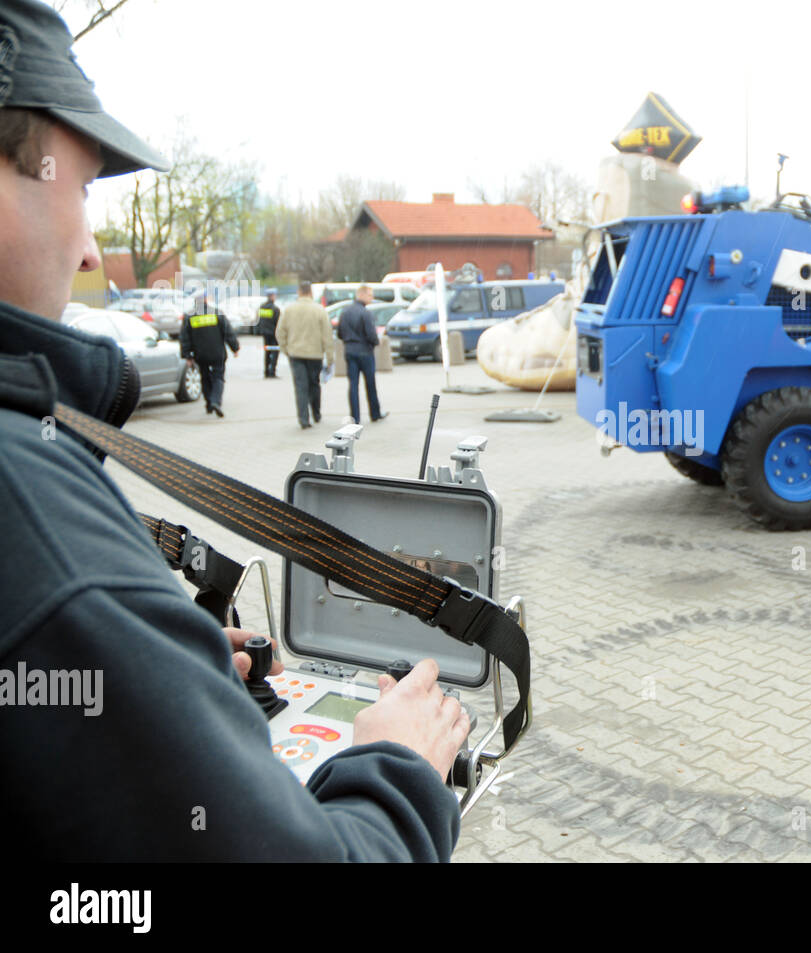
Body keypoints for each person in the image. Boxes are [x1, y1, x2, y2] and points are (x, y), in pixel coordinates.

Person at [0, 0, 469, 861]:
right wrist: (398, 768)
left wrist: (147, 671)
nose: (92, 251)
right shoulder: (27, 501)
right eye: (80, 188)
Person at [276, 281, 334, 429]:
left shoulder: (289, 310)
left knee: (300, 386)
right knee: (314, 384)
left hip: (296, 354)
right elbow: (327, 335)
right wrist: (330, 356)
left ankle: (303, 419)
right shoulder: (320, 310)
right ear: (311, 292)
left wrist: (285, 349)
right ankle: (316, 413)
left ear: (299, 292)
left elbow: (280, 332)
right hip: (315, 355)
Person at [179, 290, 240, 416]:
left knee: (205, 378)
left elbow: (185, 338)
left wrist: (187, 355)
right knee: (218, 378)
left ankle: (208, 404)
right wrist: (235, 348)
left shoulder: (189, 316)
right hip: (217, 353)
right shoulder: (217, 313)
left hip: (200, 355)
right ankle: (215, 401)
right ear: (206, 299)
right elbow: (228, 332)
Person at [337, 284, 389, 423]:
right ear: (362, 294)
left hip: (350, 350)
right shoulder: (365, 313)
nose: (372, 298)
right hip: (365, 352)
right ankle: (375, 413)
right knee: (370, 384)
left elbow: (340, 333)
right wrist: (375, 343)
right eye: (370, 295)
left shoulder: (345, 312)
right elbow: (371, 334)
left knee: (353, 385)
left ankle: (355, 417)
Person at [255, 288, 281, 378]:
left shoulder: (262, 307)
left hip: (265, 333)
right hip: (274, 334)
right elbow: (278, 323)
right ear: (272, 296)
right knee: (275, 352)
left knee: (267, 352)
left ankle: (266, 371)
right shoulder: (275, 309)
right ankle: (272, 372)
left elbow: (258, 320)